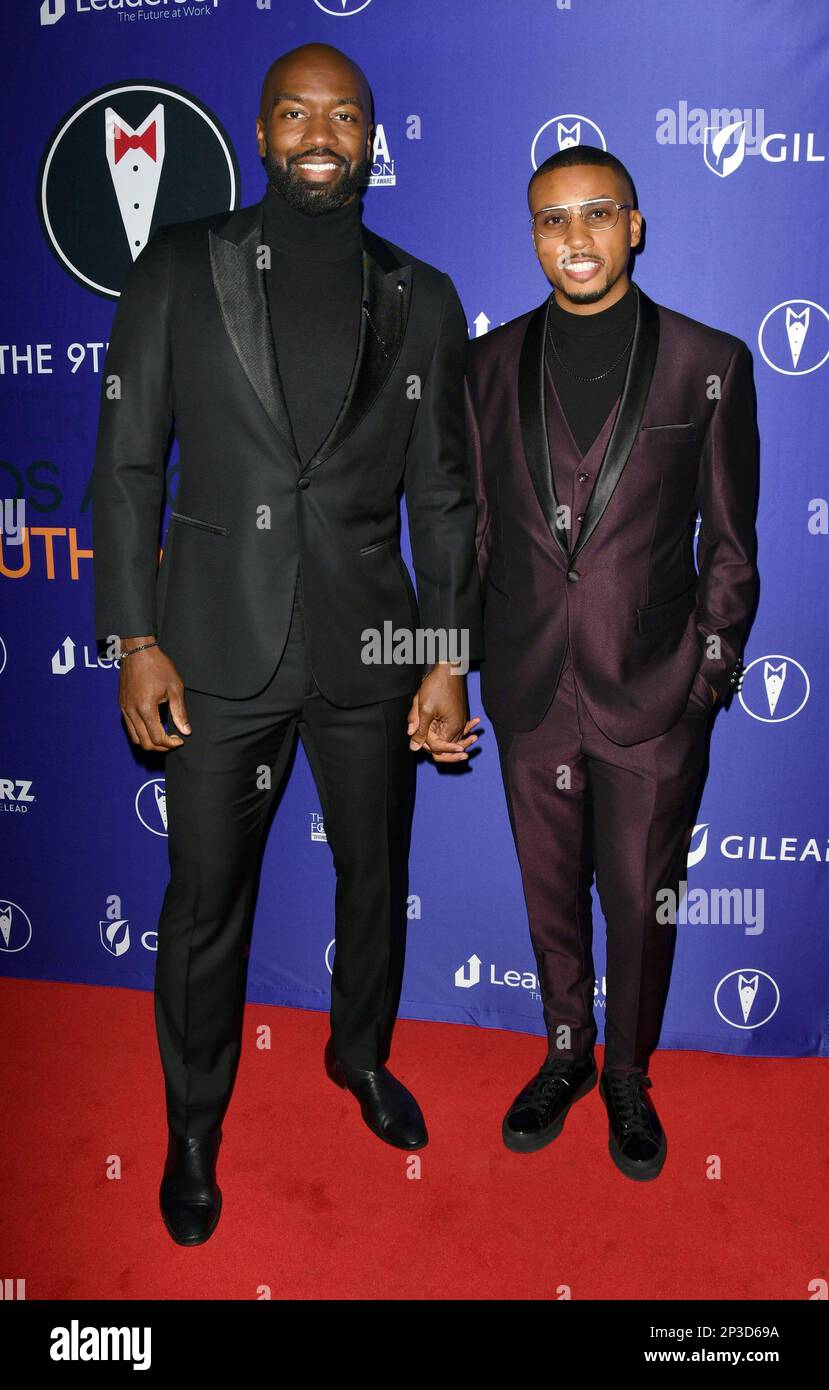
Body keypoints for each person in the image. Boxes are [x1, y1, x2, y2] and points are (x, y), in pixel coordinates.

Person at [92, 42, 481, 1245]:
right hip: (213, 646)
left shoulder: (422, 294)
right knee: (206, 901)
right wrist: (133, 637)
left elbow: (445, 498)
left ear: (373, 137)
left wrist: (445, 652)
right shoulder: (177, 266)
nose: (322, 131)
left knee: (375, 882)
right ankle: (194, 1127)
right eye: (296, 113)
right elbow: (125, 467)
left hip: (372, 644)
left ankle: (357, 1057)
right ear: (260, 134)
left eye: (345, 115)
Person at [466, 144, 758, 1181]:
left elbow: (729, 549)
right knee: (550, 900)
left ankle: (627, 1076)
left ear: (634, 224)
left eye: (597, 215)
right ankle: (566, 1055)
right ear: (532, 234)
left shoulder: (707, 359)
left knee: (641, 901)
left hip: (656, 694)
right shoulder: (486, 366)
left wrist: (702, 688)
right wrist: (460, 666)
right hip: (531, 689)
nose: (574, 238)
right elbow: (482, 540)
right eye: (552, 219)